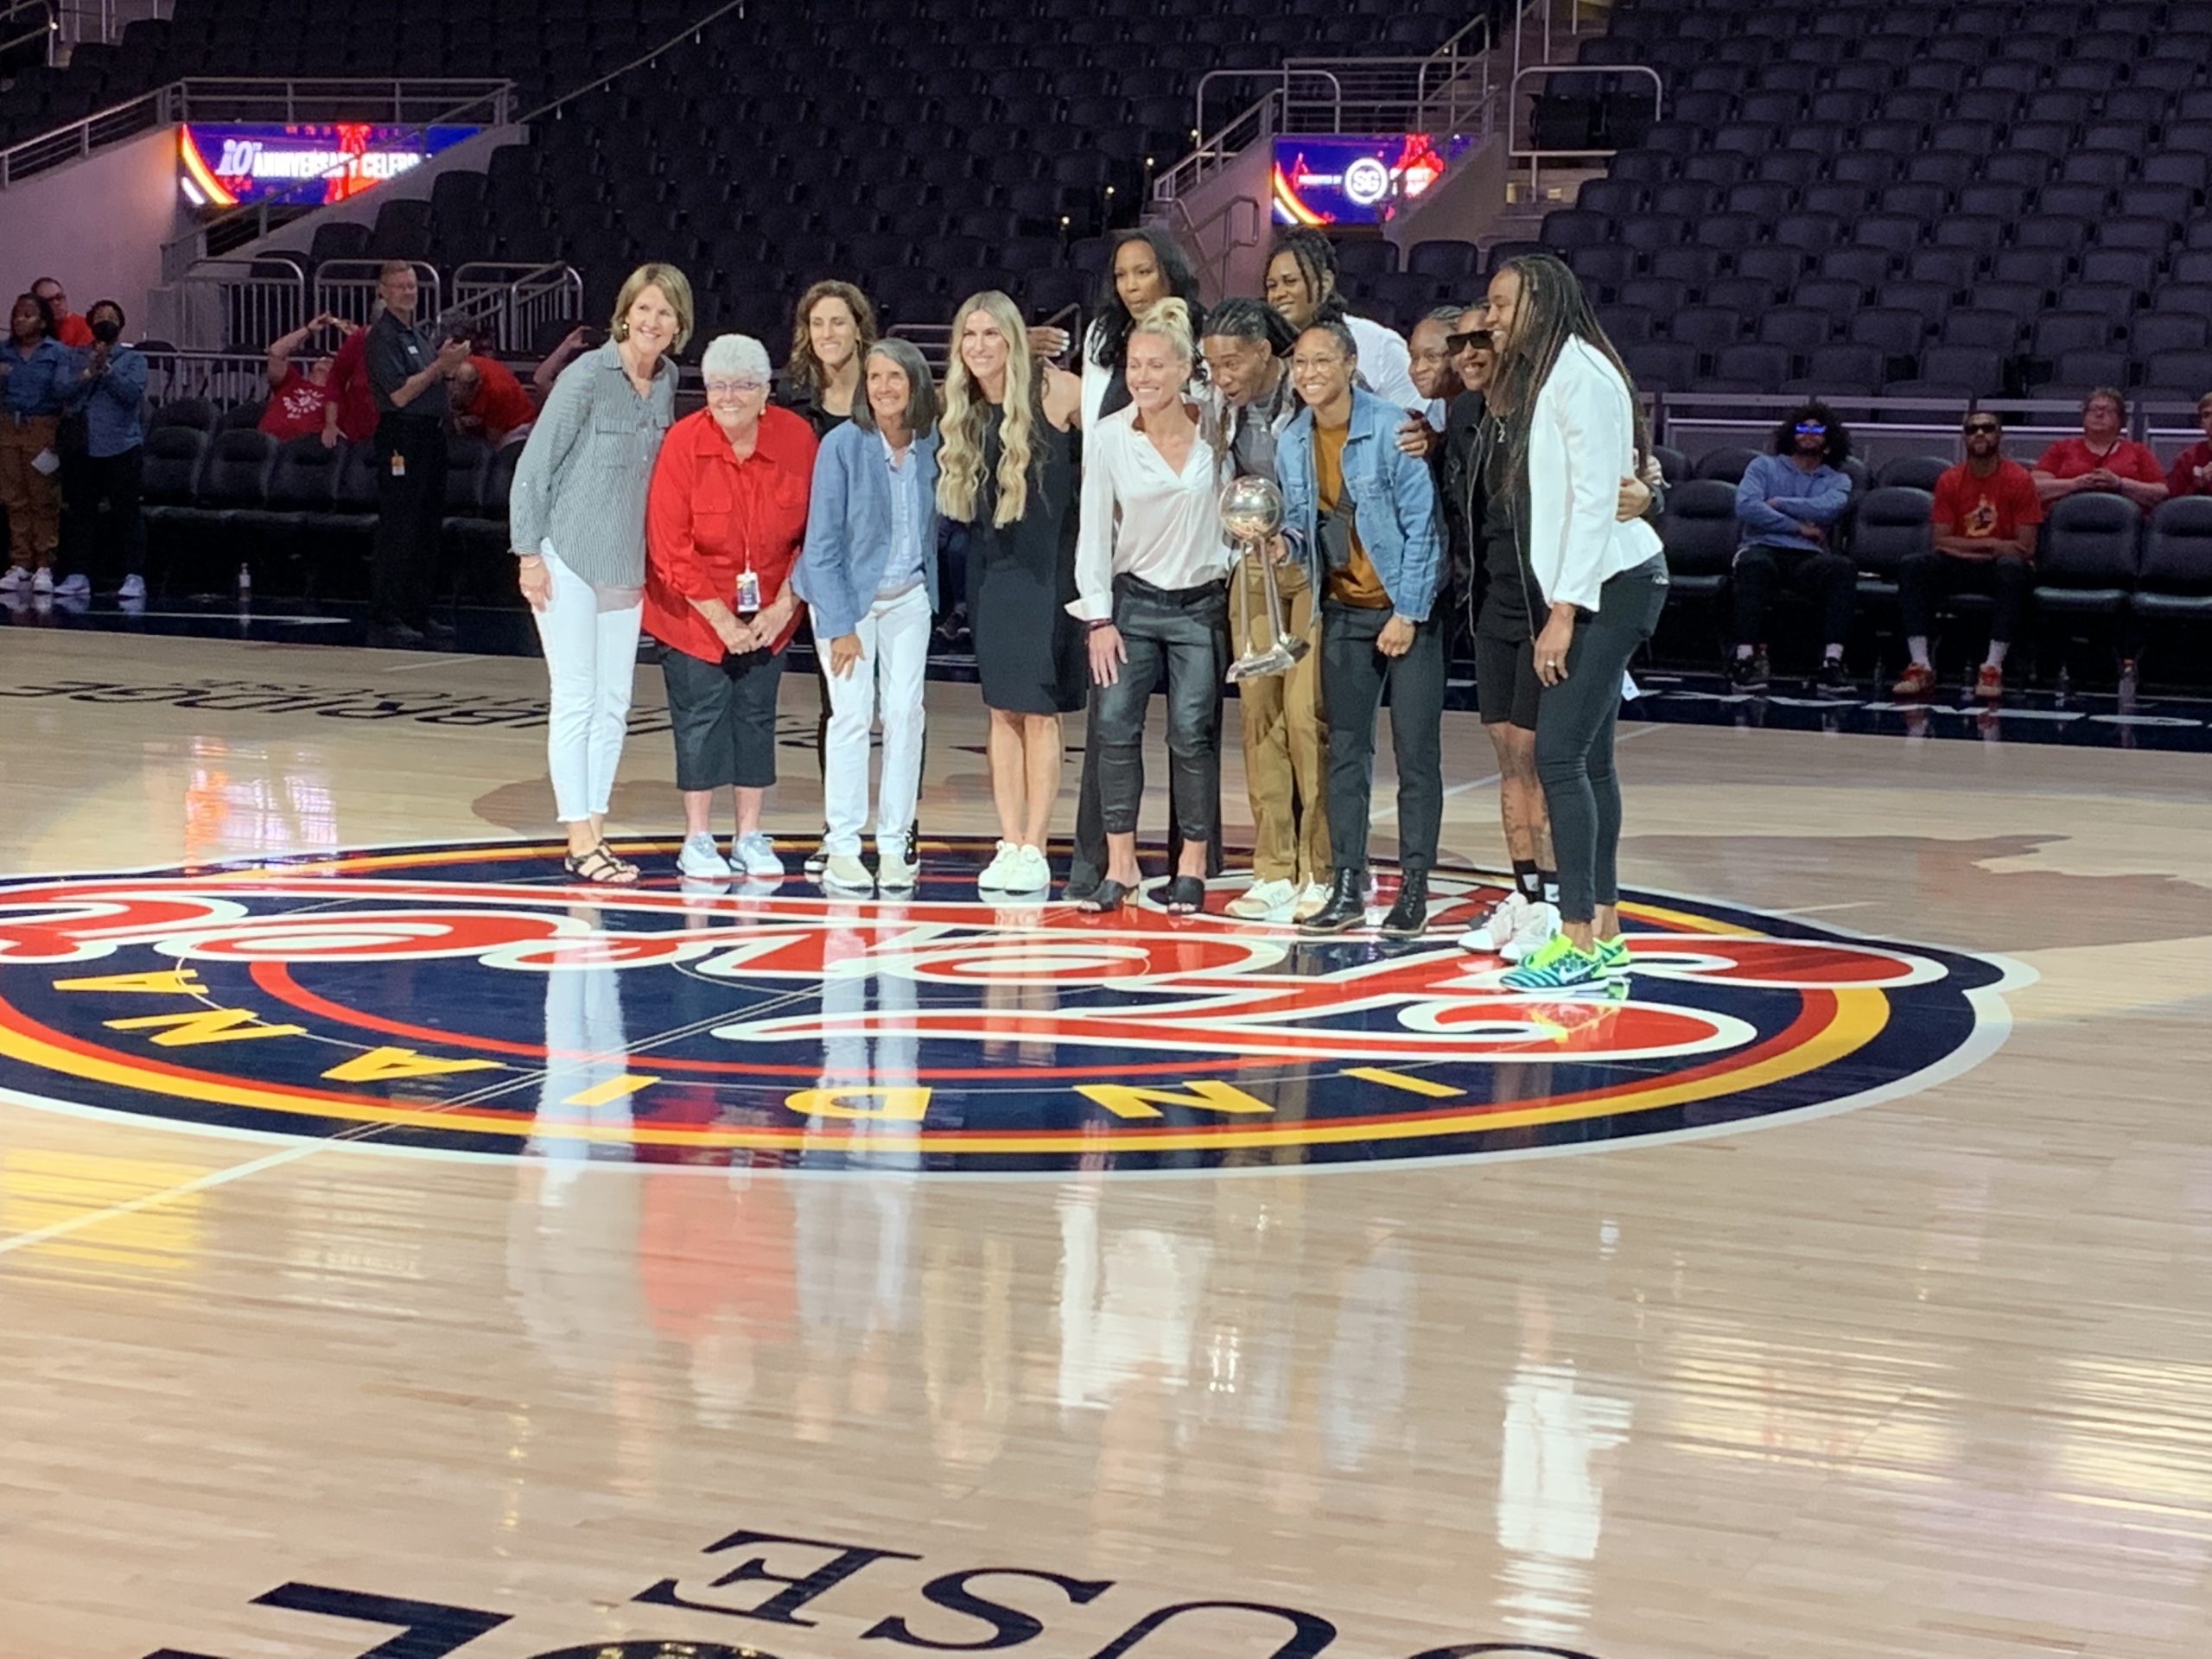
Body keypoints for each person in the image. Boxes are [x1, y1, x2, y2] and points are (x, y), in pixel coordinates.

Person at [1479, 253, 1669, 995]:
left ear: (1542, 299)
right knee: (1589, 763)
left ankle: (1578, 937)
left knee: (1558, 758)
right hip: (1602, 584)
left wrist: (1563, 611)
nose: (1491, 318)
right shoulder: (1560, 370)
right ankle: (1608, 932)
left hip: (1608, 587)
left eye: (1501, 304)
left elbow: (1596, 500)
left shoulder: (1580, 375)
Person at [510, 262, 690, 886]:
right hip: (568, 555)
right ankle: (578, 837)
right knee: (578, 698)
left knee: (615, 704)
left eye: (665, 312)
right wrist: (528, 554)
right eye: (644, 308)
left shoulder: (666, 382)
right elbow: (534, 466)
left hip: (625, 564)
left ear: (678, 325)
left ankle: (598, 827)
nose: (652, 321)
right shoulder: (587, 374)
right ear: (624, 312)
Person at [1279, 319, 1446, 939]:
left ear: (1350, 364)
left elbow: (1422, 528)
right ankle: (1348, 882)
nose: (1309, 373)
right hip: (1343, 610)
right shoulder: (1292, 437)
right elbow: (1303, 527)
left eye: (1322, 361)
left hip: (1408, 611)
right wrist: (1282, 546)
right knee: (1346, 753)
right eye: (1300, 363)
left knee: (1414, 754)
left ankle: (1413, 888)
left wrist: (1408, 612)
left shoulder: (1392, 428)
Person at [1071, 298, 1233, 914]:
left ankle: (1191, 866)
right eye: (1135, 366)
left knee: (1193, 736)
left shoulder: (1219, 422)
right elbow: (1094, 533)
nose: (1142, 377)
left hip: (1199, 606)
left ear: (1185, 367)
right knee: (1114, 731)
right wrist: (1098, 618)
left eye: (1156, 366)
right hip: (1131, 605)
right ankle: (1120, 866)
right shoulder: (1111, 437)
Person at [645, 333, 818, 881]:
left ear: (766, 391)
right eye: (718, 385)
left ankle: (749, 835)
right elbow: (669, 545)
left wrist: (779, 609)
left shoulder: (797, 439)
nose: (729, 396)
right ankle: (697, 837)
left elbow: (816, 536)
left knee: (755, 718)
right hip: (692, 615)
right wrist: (721, 619)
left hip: (773, 612)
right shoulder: (682, 442)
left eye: (743, 385)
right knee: (700, 720)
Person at [938, 289, 1085, 893]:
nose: (979, 347)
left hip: (1048, 572)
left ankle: (1037, 843)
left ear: (1013, 339)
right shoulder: (961, 408)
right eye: (969, 336)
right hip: (993, 575)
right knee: (1000, 710)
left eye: (990, 334)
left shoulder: (1057, 392)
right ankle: (1010, 840)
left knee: (1040, 714)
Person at [1199, 296, 1331, 923]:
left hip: (1308, 569)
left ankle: (1320, 867)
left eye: (1231, 363)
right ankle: (1273, 866)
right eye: (1213, 366)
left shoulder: (1308, 398)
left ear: (1263, 353)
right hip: (1251, 568)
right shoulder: (1219, 412)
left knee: (1306, 720)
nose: (1221, 377)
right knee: (1258, 716)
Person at [794, 338, 940, 893]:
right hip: (846, 600)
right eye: (874, 377)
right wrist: (838, 625)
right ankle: (843, 847)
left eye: (894, 378)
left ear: (914, 385)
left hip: (908, 597)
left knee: (906, 713)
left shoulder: (932, 441)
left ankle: (895, 841)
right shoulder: (841, 445)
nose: (882, 387)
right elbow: (822, 545)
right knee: (852, 717)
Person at [1893, 410, 2041, 702]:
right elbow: (1940, 541)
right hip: (1959, 564)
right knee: (1913, 565)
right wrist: (1994, 543)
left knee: (2012, 567)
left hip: (1999, 569)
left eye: (1987, 428)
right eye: (1973, 429)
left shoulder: (2020, 479)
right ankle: (1920, 665)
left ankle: (1992, 667)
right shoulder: (1950, 479)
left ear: (1999, 435)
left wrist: (1976, 547)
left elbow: (2025, 548)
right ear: (1965, 437)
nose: (1980, 434)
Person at [364, 259, 470, 645]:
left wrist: (447, 364)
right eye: (400, 287)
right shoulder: (381, 337)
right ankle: (388, 612)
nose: (408, 292)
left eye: (411, 286)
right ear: (383, 291)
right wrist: (438, 367)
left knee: (427, 525)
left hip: (430, 434)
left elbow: (428, 378)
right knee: (401, 524)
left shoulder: (418, 333)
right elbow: (399, 394)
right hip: (401, 436)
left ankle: (418, 611)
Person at [1728, 403, 1857, 695]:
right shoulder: (1763, 466)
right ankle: (1744, 660)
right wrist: (1799, 527)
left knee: (1842, 569)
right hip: (1762, 547)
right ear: (1791, 434)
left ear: (1829, 439)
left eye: (1817, 429)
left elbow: (1829, 509)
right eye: (1803, 427)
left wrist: (1779, 503)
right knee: (1754, 565)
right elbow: (1747, 507)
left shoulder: (1838, 479)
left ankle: (1832, 663)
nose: (1809, 434)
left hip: (1807, 558)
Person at [1262, 228, 1423, 412]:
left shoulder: (1378, 344)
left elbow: (1414, 422)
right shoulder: (1266, 351)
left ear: (1325, 283)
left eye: (1290, 281)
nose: (1279, 294)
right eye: (1271, 286)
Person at [58, 300, 148, 601]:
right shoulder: (74, 357)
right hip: (83, 445)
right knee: (82, 511)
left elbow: (130, 394)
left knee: (126, 512)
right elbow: (62, 391)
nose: (105, 321)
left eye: (111, 317)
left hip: (122, 445)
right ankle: (78, 574)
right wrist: (88, 372)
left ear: (120, 325)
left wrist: (106, 371)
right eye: (100, 317)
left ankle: (134, 576)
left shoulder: (133, 359)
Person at [1079, 229, 1207, 431]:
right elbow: (1091, 417)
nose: (1130, 286)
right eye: (1120, 275)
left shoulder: (1205, 337)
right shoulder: (1102, 333)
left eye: (1143, 272)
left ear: (1171, 274)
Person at [0, 292, 72, 596]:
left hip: (42, 425)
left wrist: (58, 435)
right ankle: (20, 563)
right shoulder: (4, 352)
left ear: (42, 321)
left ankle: (45, 563)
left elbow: (64, 392)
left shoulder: (56, 352)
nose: (19, 319)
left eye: (28, 314)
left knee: (43, 498)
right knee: (14, 498)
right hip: (8, 425)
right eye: (17, 314)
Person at [2031, 388, 2166, 512]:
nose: (2099, 414)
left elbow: (2161, 492)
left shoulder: (2138, 451)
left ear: (2120, 420)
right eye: (2093, 409)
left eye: (2108, 411)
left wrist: (2119, 484)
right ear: (2083, 417)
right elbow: (2033, 488)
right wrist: (2074, 484)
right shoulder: (2061, 448)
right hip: (2067, 524)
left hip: (2124, 526)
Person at [782, 280, 878, 439]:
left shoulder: (881, 393)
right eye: (817, 324)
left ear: (858, 330)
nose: (827, 334)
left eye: (838, 323)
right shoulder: (792, 394)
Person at [260, 314, 355, 441]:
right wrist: (308, 330)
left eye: (333, 360)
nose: (326, 360)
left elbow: (374, 367)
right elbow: (276, 352)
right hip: (266, 445)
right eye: (323, 358)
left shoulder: (343, 394)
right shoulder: (291, 381)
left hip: (305, 450)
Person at [318, 318, 379, 449]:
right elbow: (335, 378)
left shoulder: (413, 339)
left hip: (398, 428)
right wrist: (331, 424)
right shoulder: (360, 339)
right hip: (358, 433)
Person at [451, 353, 537, 446]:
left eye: (466, 397)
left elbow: (494, 437)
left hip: (515, 426)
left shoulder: (496, 392)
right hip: (483, 419)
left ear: (477, 386)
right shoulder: (464, 365)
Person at [2164, 391, 2212, 499]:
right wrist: (2199, 484)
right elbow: (2174, 504)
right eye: (2207, 415)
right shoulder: (2187, 458)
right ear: (2202, 423)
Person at [29, 277, 92, 348]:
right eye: (49, 301)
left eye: (59, 297)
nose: (57, 303)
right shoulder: (33, 330)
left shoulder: (82, 327)